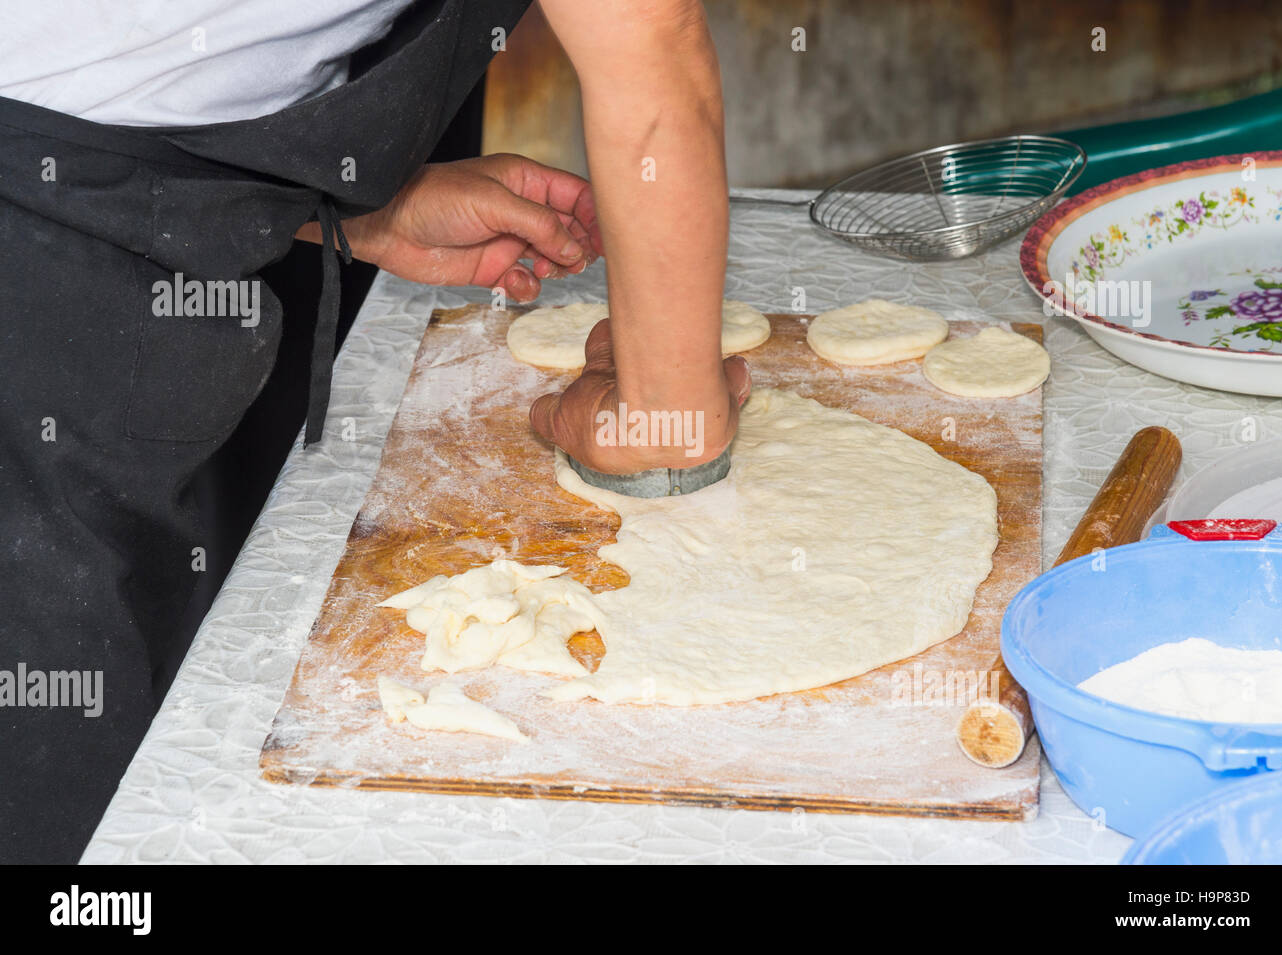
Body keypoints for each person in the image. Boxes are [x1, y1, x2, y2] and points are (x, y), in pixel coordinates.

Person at [0, 0, 748, 862]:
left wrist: (351, 211)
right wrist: (664, 412)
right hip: (33, 271)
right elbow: (651, 44)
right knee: (66, 791)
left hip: (116, 191)